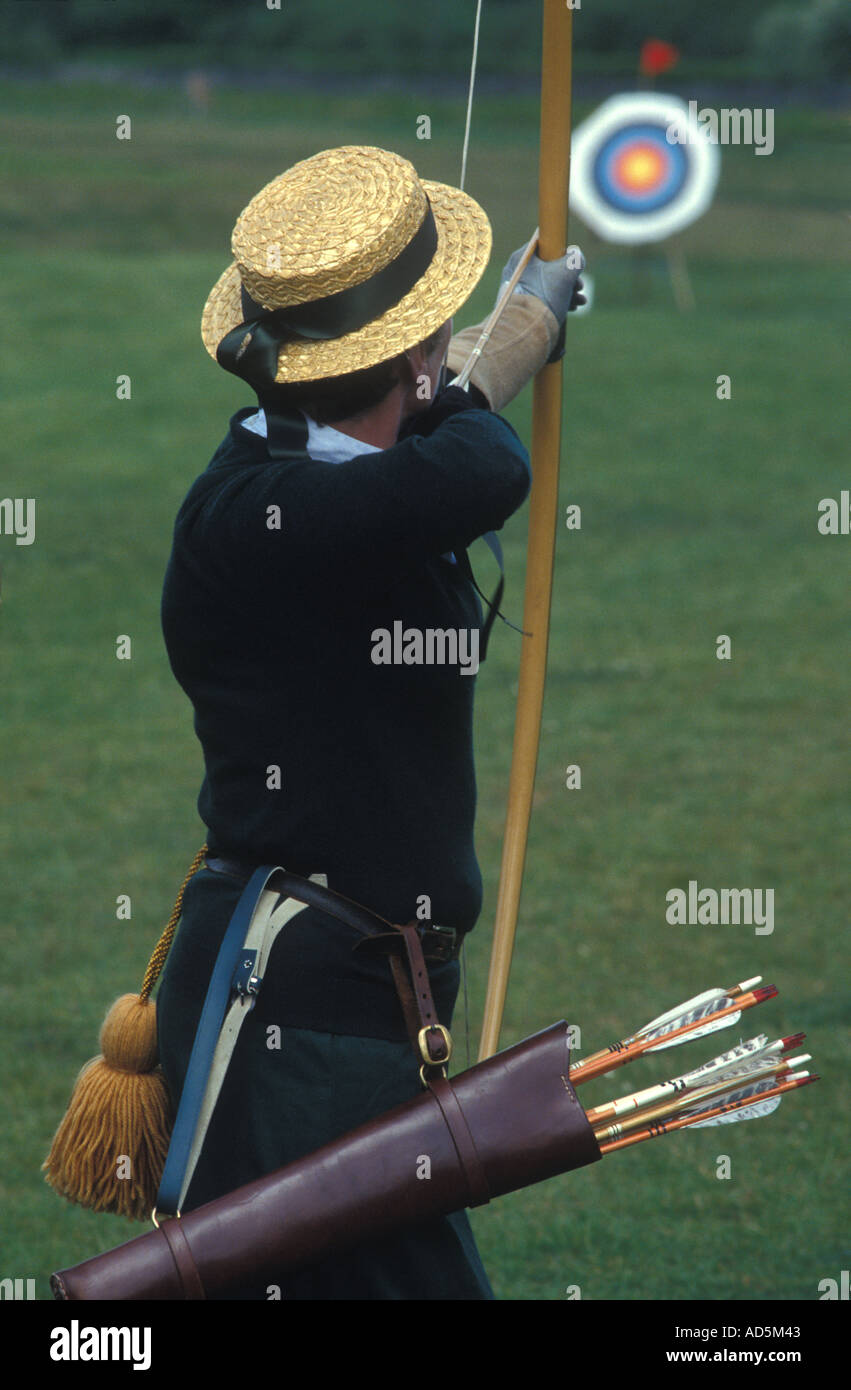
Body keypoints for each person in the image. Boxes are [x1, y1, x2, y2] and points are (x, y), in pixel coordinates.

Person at [156, 144, 584, 1299]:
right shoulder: (267, 516)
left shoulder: (326, 482)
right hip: (298, 1002)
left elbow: (437, 455)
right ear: (411, 349)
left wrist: (475, 356)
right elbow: (478, 465)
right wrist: (501, 351)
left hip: (351, 989)